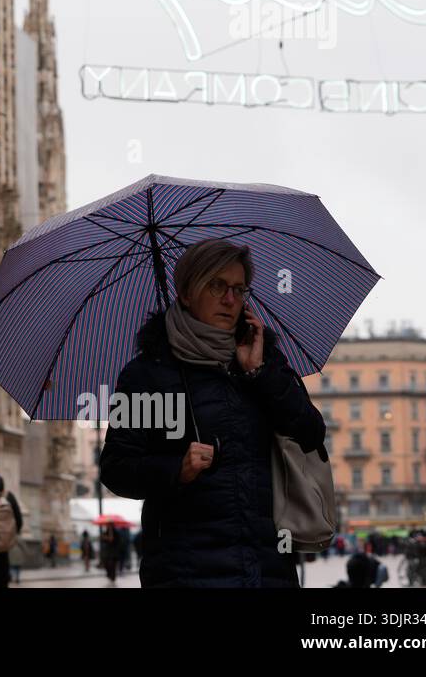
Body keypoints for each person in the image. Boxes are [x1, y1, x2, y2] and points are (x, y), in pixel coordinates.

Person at [99, 238, 326, 588]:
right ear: (187, 292)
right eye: (216, 285)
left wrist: (260, 374)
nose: (230, 300)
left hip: (267, 569)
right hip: (185, 572)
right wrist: (177, 468)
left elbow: (311, 432)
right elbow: (117, 469)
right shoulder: (148, 374)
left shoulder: (262, 356)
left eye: (238, 288)